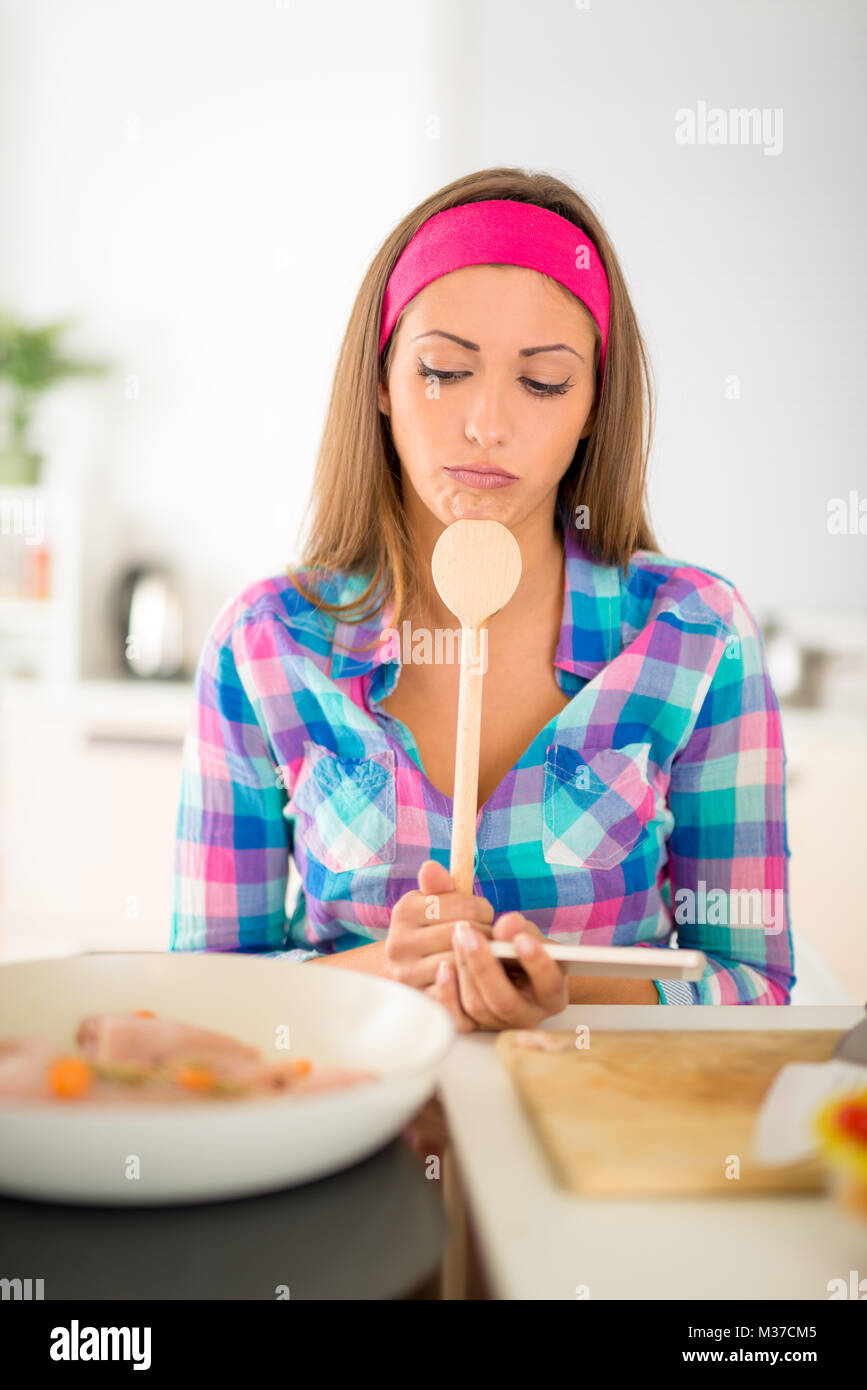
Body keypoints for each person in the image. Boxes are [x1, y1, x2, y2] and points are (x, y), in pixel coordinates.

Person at [170, 166, 795, 1028]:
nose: (488, 424)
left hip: (603, 1135)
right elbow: (204, 998)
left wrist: (566, 992)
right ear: (382, 386)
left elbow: (751, 985)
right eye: (442, 371)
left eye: (543, 382)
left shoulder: (694, 633)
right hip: (352, 1128)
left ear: (591, 409)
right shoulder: (264, 643)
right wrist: (382, 972)